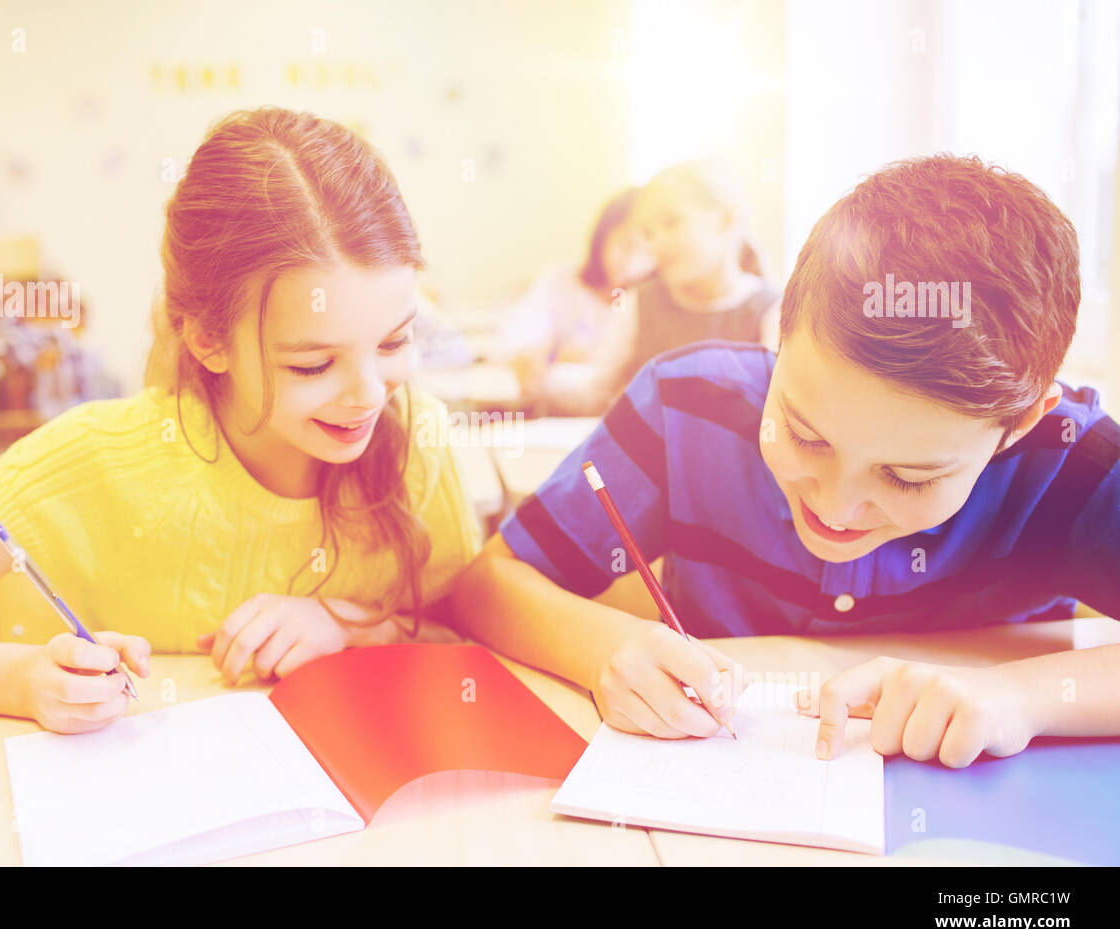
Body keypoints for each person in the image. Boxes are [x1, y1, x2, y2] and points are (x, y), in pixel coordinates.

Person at [0, 107, 482, 734]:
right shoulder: (93, 458)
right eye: (312, 365)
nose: (369, 394)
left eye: (394, 342)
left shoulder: (415, 440)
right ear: (207, 340)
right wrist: (19, 681)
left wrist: (352, 627)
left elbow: (470, 629)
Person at [450, 154, 1120, 768]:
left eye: (909, 476)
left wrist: (1021, 698)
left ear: (1019, 425)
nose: (834, 506)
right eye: (805, 435)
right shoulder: (686, 406)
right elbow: (486, 585)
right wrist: (603, 649)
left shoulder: (1068, 460)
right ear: (779, 333)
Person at [496, 188, 654, 415]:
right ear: (603, 237)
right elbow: (516, 338)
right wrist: (541, 355)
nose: (632, 260)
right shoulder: (560, 279)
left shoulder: (652, 302)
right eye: (626, 245)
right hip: (554, 421)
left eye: (646, 251)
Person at [625, 160, 781, 375]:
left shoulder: (771, 313)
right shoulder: (638, 304)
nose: (656, 243)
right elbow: (596, 386)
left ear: (726, 220)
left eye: (671, 222)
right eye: (648, 233)